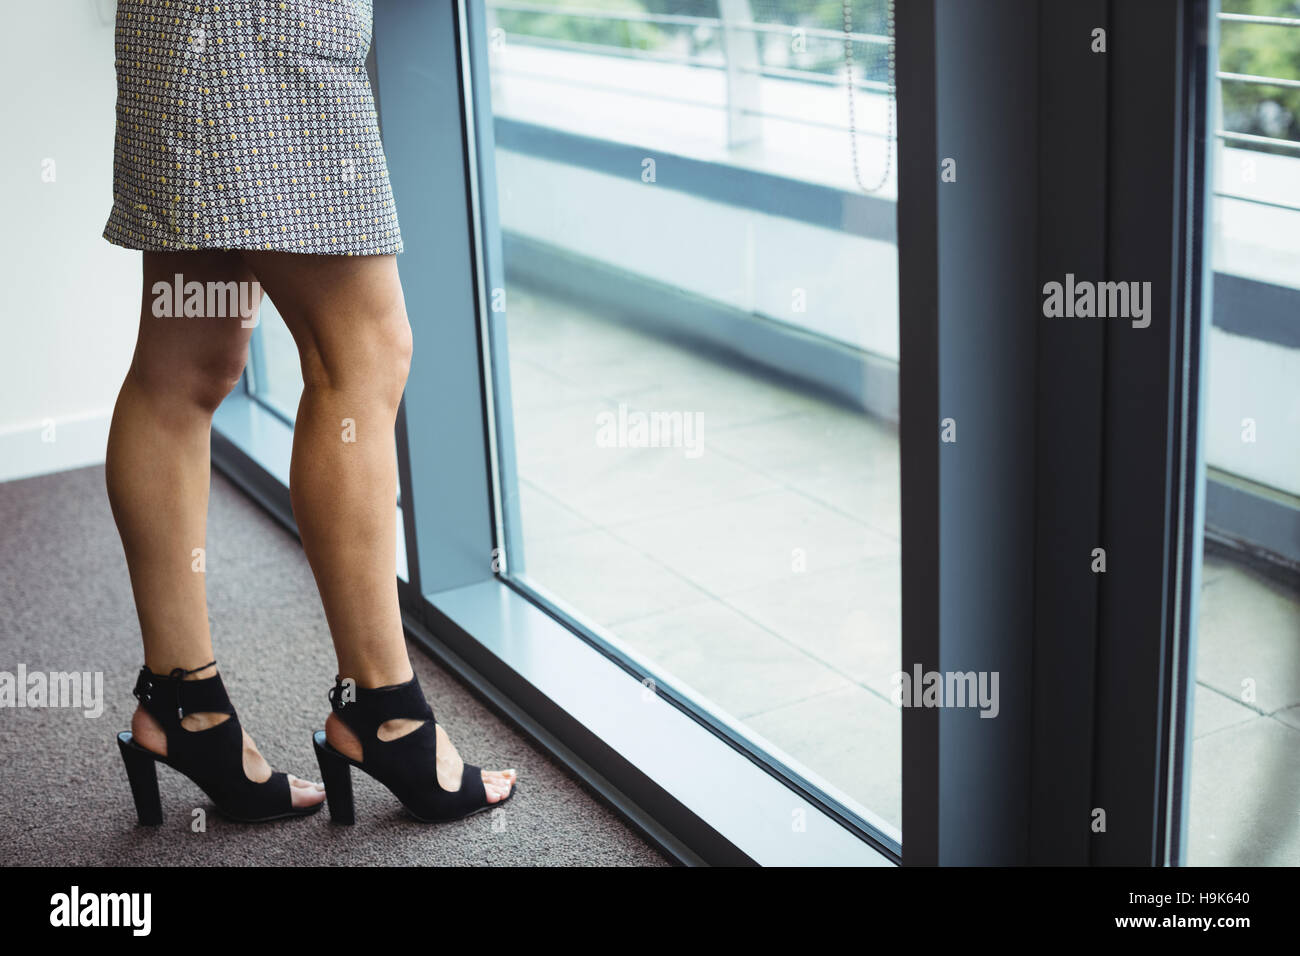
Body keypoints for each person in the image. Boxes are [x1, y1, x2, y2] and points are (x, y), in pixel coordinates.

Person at [105, 0, 515, 826]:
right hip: (263, 33)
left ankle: (188, 710)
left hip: (180, 26)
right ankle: (387, 714)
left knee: (187, 365)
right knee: (361, 355)